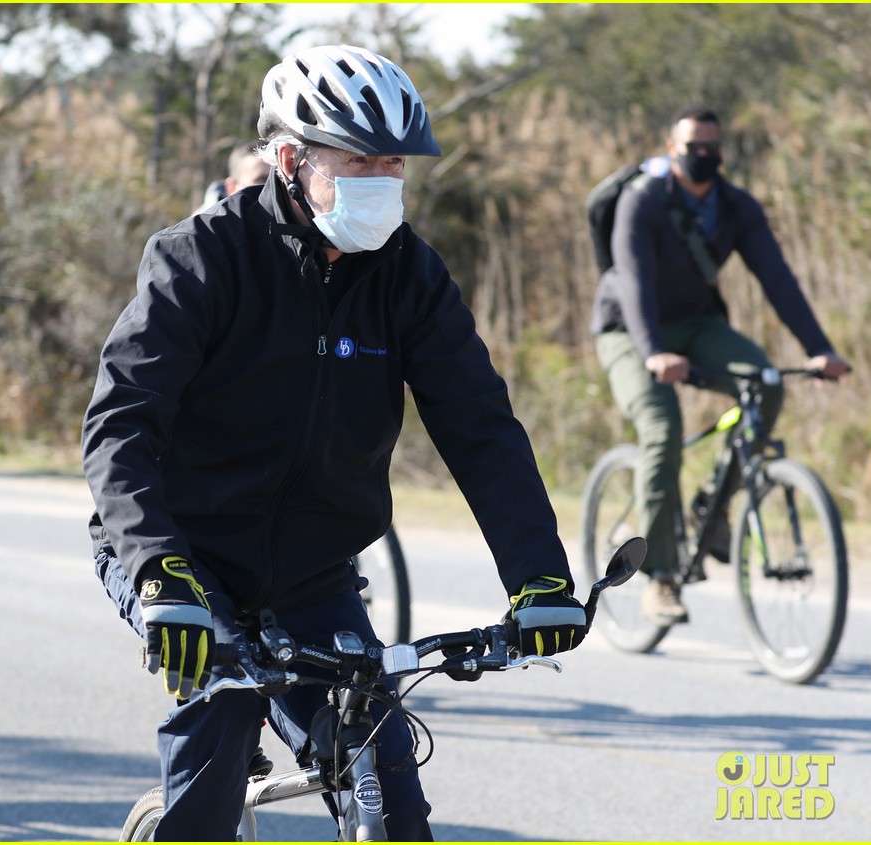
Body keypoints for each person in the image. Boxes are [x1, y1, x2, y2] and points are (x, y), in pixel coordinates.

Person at [83, 45, 586, 841]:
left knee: (389, 788)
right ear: (290, 159)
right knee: (215, 747)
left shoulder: (409, 273)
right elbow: (122, 423)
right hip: (185, 557)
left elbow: (480, 427)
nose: (382, 180)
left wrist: (540, 576)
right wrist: (157, 570)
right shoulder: (201, 256)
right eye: (359, 160)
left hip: (313, 572)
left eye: (394, 162)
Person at [590, 106, 850, 625]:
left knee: (767, 382)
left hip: (697, 323)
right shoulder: (642, 202)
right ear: (672, 149)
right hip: (630, 330)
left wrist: (819, 348)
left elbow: (777, 279)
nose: (704, 157)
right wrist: (653, 354)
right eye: (693, 148)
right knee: (663, 431)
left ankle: (713, 505)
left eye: (713, 148)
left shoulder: (736, 207)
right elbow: (635, 281)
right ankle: (661, 579)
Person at [193, 140, 272, 214]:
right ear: (231, 186)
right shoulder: (201, 227)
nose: (274, 188)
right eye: (262, 181)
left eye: (280, 179)